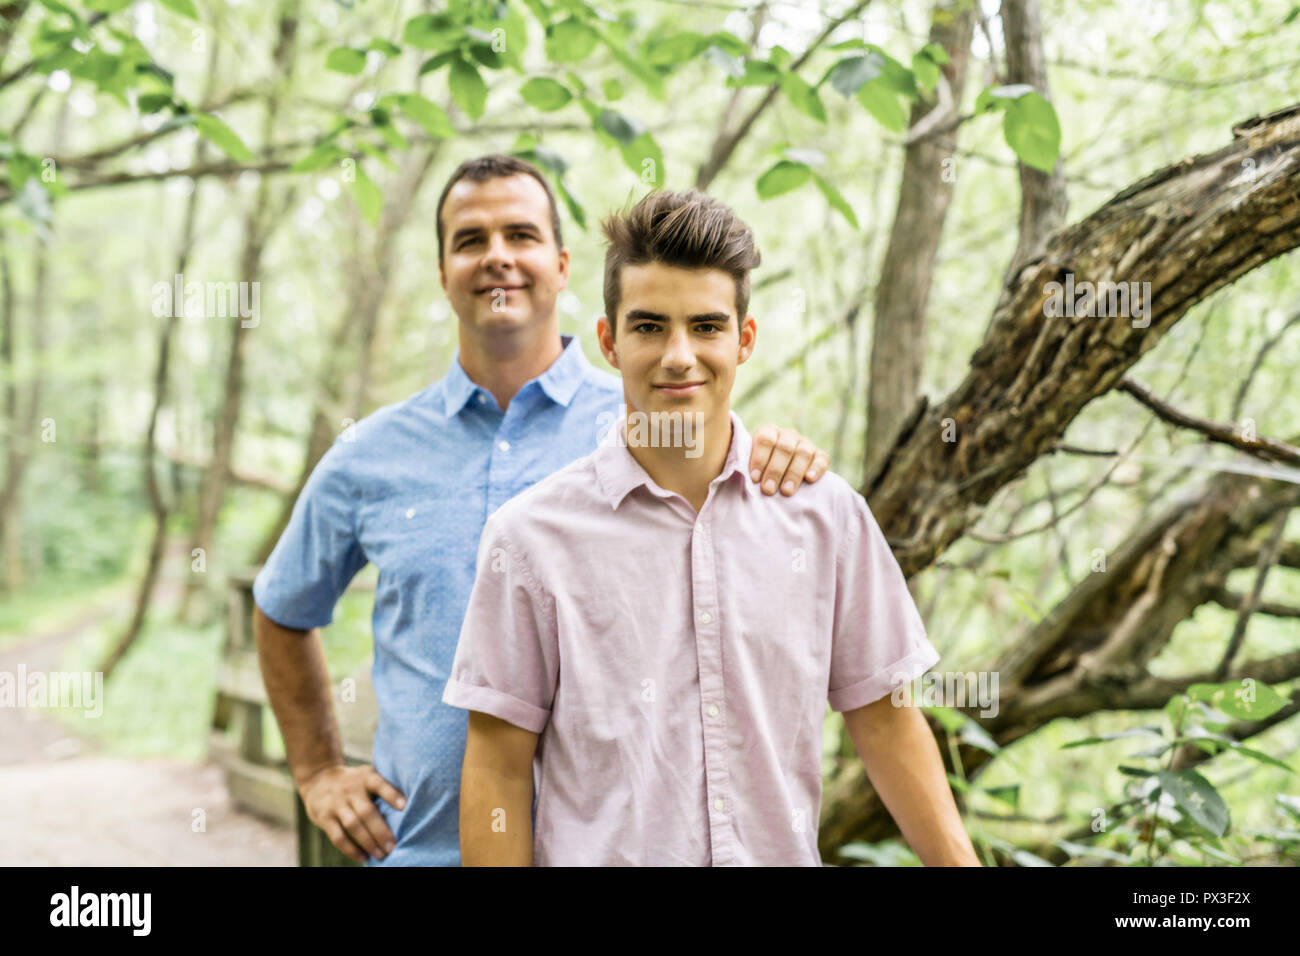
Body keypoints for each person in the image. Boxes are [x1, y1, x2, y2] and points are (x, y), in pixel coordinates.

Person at [252, 155, 831, 866]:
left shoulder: (645, 425)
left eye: (520, 235)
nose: (497, 257)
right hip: (419, 852)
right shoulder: (368, 456)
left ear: (560, 265)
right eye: (470, 241)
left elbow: (725, 498)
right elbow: (282, 607)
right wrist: (316, 772)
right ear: (442, 274)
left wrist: (784, 454)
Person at [444, 188, 980, 866]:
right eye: (648, 327)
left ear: (743, 340)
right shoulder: (529, 539)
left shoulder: (824, 516)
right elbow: (497, 765)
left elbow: (887, 720)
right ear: (608, 341)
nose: (678, 356)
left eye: (705, 327)